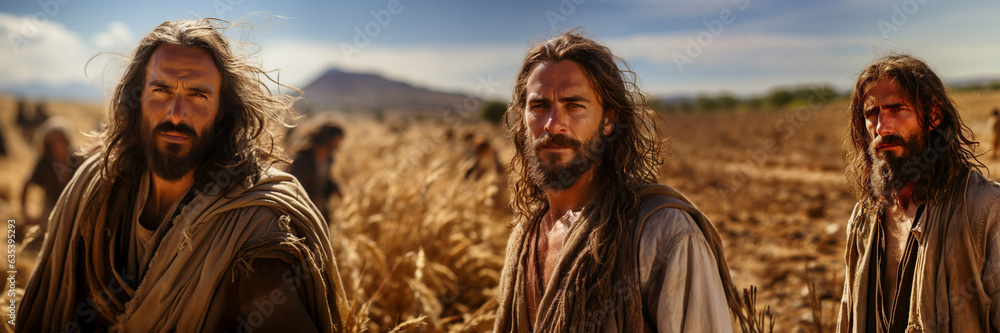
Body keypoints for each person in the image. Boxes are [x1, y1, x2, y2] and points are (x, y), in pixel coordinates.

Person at [17, 19, 347, 332]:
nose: (176, 114)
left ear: (223, 110)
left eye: (197, 95)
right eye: (160, 90)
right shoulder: (95, 190)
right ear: (137, 98)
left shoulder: (254, 226)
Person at [494, 31, 741, 332]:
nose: (553, 124)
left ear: (608, 121)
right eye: (539, 106)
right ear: (522, 118)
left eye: (574, 105)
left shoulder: (663, 233)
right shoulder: (525, 235)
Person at [837, 54, 1000, 332]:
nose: (881, 128)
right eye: (871, 114)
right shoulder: (864, 217)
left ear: (933, 116)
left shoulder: (986, 209)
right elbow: (848, 313)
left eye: (896, 109)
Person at [20, 118, 82, 235]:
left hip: (76, 205)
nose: (58, 144)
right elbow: (27, 184)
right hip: (52, 207)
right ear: (48, 143)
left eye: (61, 139)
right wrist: (25, 213)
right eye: (54, 141)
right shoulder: (44, 163)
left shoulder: (78, 158)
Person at [289, 123, 344, 219]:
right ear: (328, 139)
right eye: (337, 141)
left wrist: (335, 188)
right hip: (305, 208)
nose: (338, 145)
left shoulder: (328, 159)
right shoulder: (303, 160)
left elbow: (324, 178)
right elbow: (297, 185)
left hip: (320, 208)